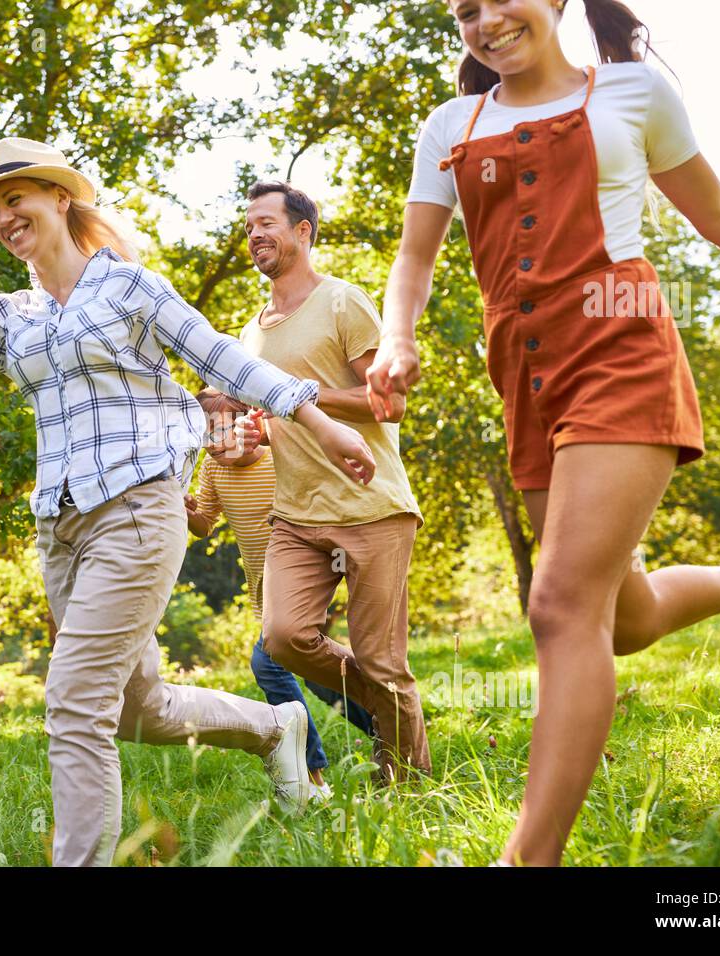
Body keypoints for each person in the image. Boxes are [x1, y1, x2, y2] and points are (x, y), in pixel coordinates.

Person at [366, 0, 720, 865]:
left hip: (621, 351)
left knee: (557, 607)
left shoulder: (631, 94)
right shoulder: (450, 124)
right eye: (464, 10)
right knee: (615, 620)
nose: (483, 20)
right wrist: (397, 335)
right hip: (525, 376)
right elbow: (416, 258)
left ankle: (527, 858)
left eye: (497, 0)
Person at [0, 137, 379, 866]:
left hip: (138, 512)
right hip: (61, 528)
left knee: (75, 704)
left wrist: (318, 418)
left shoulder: (129, 288)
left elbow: (223, 357)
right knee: (133, 709)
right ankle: (279, 728)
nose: (4, 215)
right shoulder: (11, 315)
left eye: (14, 198)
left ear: (59, 197)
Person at [233, 181, 431, 786]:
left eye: (267, 222)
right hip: (295, 513)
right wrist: (253, 434)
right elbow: (282, 424)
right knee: (285, 638)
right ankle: (389, 706)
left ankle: (408, 783)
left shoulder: (343, 302)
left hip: (371, 506)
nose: (256, 235)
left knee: (380, 658)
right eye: (249, 228)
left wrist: (299, 395)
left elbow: (390, 404)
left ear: (303, 231)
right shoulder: (251, 335)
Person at [185, 387, 376, 797]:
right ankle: (385, 724)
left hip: (301, 578)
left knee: (268, 664)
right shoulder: (214, 471)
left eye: (220, 433)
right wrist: (185, 509)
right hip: (262, 587)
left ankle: (310, 775)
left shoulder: (278, 458)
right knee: (318, 674)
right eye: (203, 437)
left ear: (249, 425)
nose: (212, 445)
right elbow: (204, 523)